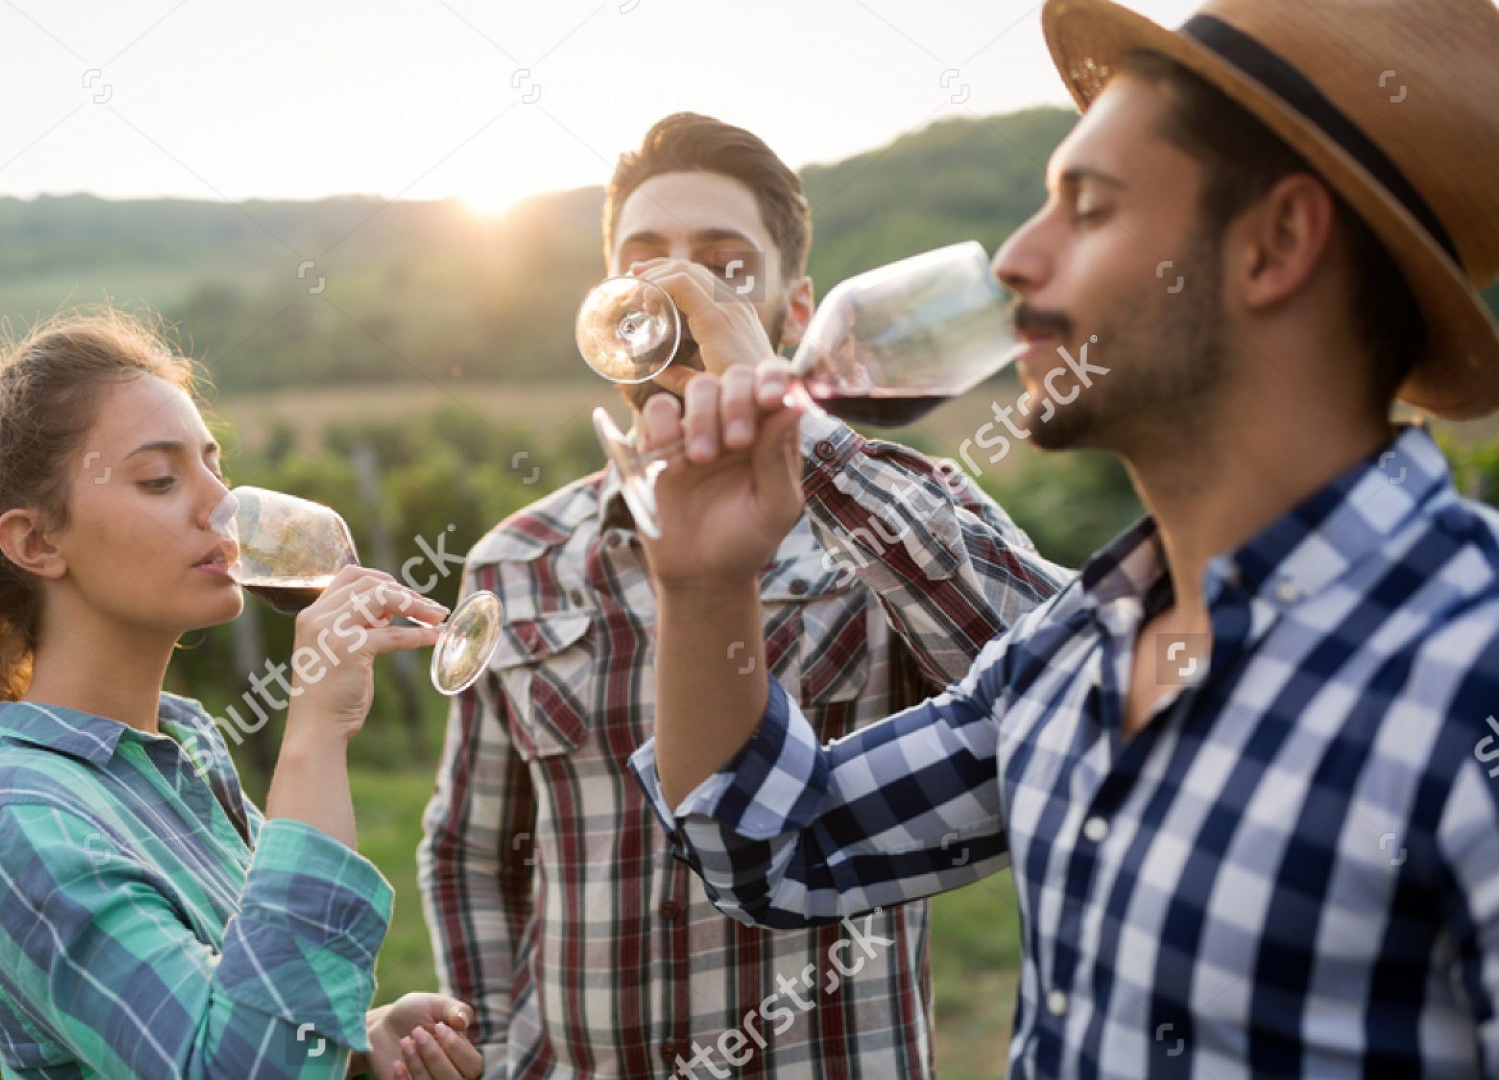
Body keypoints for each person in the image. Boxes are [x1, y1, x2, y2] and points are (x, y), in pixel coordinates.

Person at [627, 0, 1499, 1076]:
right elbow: (773, 849)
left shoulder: (1473, 669)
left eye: (1086, 209)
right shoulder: (1074, 644)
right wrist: (707, 584)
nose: (1017, 262)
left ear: (1276, 244)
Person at [418, 113, 1069, 1077]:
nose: (677, 293)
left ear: (796, 312)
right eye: (646, 262)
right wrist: (504, 1050)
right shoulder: (512, 563)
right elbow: (473, 852)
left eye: (724, 268)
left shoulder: (894, 517)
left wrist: (789, 424)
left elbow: (1073, 674)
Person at [0, 312, 486, 1079]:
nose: (222, 509)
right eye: (160, 480)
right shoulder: (19, 822)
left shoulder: (183, 745)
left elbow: (239, 1007)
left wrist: (361, 1042)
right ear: (35, 542)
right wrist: (315, 734)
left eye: (213, 465)